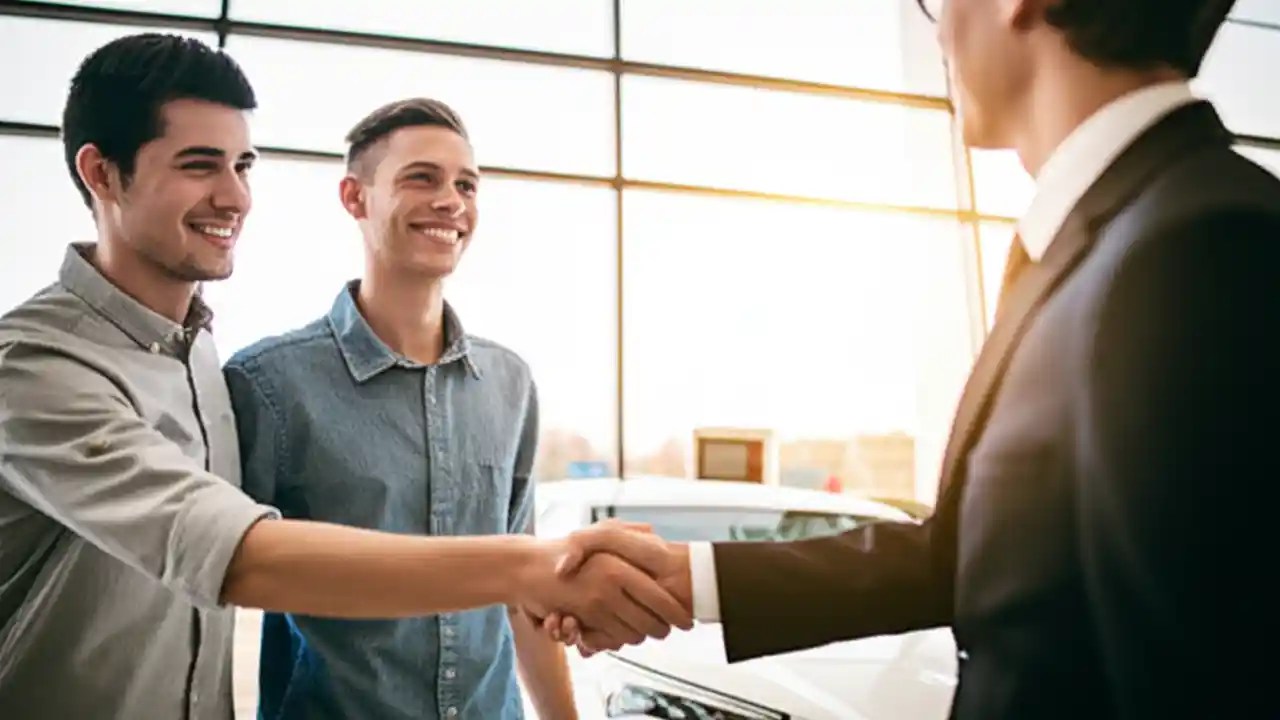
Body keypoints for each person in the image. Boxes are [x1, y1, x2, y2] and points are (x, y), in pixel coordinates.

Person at [547, 0, 1279, 718]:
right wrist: (686, 578)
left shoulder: (1206, 247)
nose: (941, 30)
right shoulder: (1100, 241)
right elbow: (961, 561)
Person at [0, 33, 688, 720]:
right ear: (101, 174)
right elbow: (246, 559)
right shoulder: (41, 366)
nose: (235, 195)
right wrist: (538, 564)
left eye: (243, 165)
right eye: (199, 164)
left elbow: (525, 607)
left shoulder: (198, 360)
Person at [222, 98, 575, 720]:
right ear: (355, 198)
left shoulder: (509, 383)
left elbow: (523, 595)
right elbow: (211, 582)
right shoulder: (269, 384)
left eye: (466, 184)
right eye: (422, 178)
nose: (452, 201)